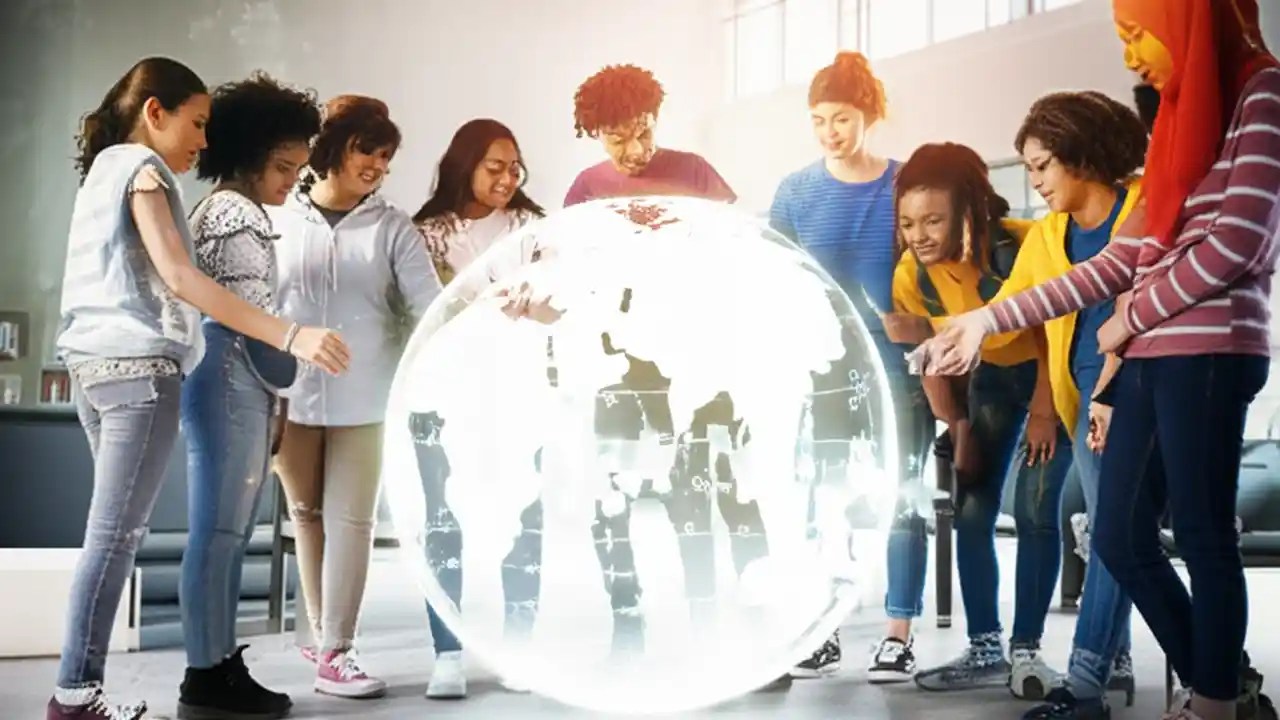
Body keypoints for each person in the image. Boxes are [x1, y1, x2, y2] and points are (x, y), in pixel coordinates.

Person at [913, 1, 1280, 718]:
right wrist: (986, 318)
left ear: (1187, 22)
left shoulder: (1260, 93)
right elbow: (1123, 261)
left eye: (1139, 33)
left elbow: (1237, 244)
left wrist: (1124, 327)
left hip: (1209, 352)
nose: (1132, 55)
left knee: (1204, 533)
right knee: (1116, 533)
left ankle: (1211, 702)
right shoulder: (1177, 118)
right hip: (1150, 358)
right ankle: (1224, 682)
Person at [48, 57, 347, 720]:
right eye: (196, 123)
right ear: (154, 111)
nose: (202, 141)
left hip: (91, 368)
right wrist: (294, 337)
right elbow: (185, 281)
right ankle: (76, 694)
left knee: (118, 536)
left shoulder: (102, 170)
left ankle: (85, 691)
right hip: (140, 371)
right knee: (126, 538)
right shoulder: (147, 171)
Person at [768, 50, 936, 681]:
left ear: (868, 114)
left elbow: (934, 263)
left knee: (903, 494)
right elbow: (777, 275)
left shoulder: (904, 185)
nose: (828, 131)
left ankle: (898, 633)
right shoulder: (794, 191)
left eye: (839, 118)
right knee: (823, 497)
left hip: (899, 363)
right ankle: (825, 628)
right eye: (818, 120)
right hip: (821, 367)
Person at [269, 95, 442, 699]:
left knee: (352, 521)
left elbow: (430, 304)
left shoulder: (392, 226)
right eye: (367, 150)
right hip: (289, 395)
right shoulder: (281, 216)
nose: (377, 165)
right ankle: (323, 640)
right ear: (334, 149)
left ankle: (338, 649)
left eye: (386, 157)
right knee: (306, 517)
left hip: (367, 398)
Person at [884, 143, 1072, 695]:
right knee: (971, 511)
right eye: (908, 222)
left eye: (934, 220)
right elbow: (932, 365)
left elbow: (1053, 332)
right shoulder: (910, 277)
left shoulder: (1023, 245)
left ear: (968, 211)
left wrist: (1045, 411)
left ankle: (1026, 653)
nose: (918, 234)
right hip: (987, 379)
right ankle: (986, 646)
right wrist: (960, 431)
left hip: (1049, 375)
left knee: (1037, 512)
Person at [990, 91, 1148, 718]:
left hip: (1144, 387)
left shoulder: (1145, 207)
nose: (1035, 181)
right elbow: (1010, 314)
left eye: (1043, 165)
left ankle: (1085, 682)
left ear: (1082, 155)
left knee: (1117, 530)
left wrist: (1110, 386)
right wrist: (943, 325)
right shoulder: (1049, 235)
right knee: (1120, 532)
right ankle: (1216, 671)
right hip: (1084, 396)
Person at [177, 72, 323, 720]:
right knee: (219, 534)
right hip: (232, 378)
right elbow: (253, 318)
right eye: (285, 165)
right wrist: (294, 365)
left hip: (230, 378)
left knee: (223, 533)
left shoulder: (219, 208)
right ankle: (207, 676)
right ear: (250, 152)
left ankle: (215, 665)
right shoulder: (237, 213)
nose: (293, 179)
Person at [409, 117, 546, 700]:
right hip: (444, 393)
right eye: (496, 165)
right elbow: (418, 314)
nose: (508, 177)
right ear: (466, 163)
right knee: (442, 518)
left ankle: (517, 646)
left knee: (525, 521)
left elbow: (564, 304)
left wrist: (535, 304)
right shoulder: (427, 233)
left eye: (516, 166)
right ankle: (449, 651)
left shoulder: (533, 228)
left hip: (521, 390)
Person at [564, 63, 736, 206]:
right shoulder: (587, 186)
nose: (636, 151)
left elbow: (738, 233)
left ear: (655, 119)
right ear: (597, 135)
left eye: (644, 134)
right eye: (618, 141)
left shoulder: (695, 170)